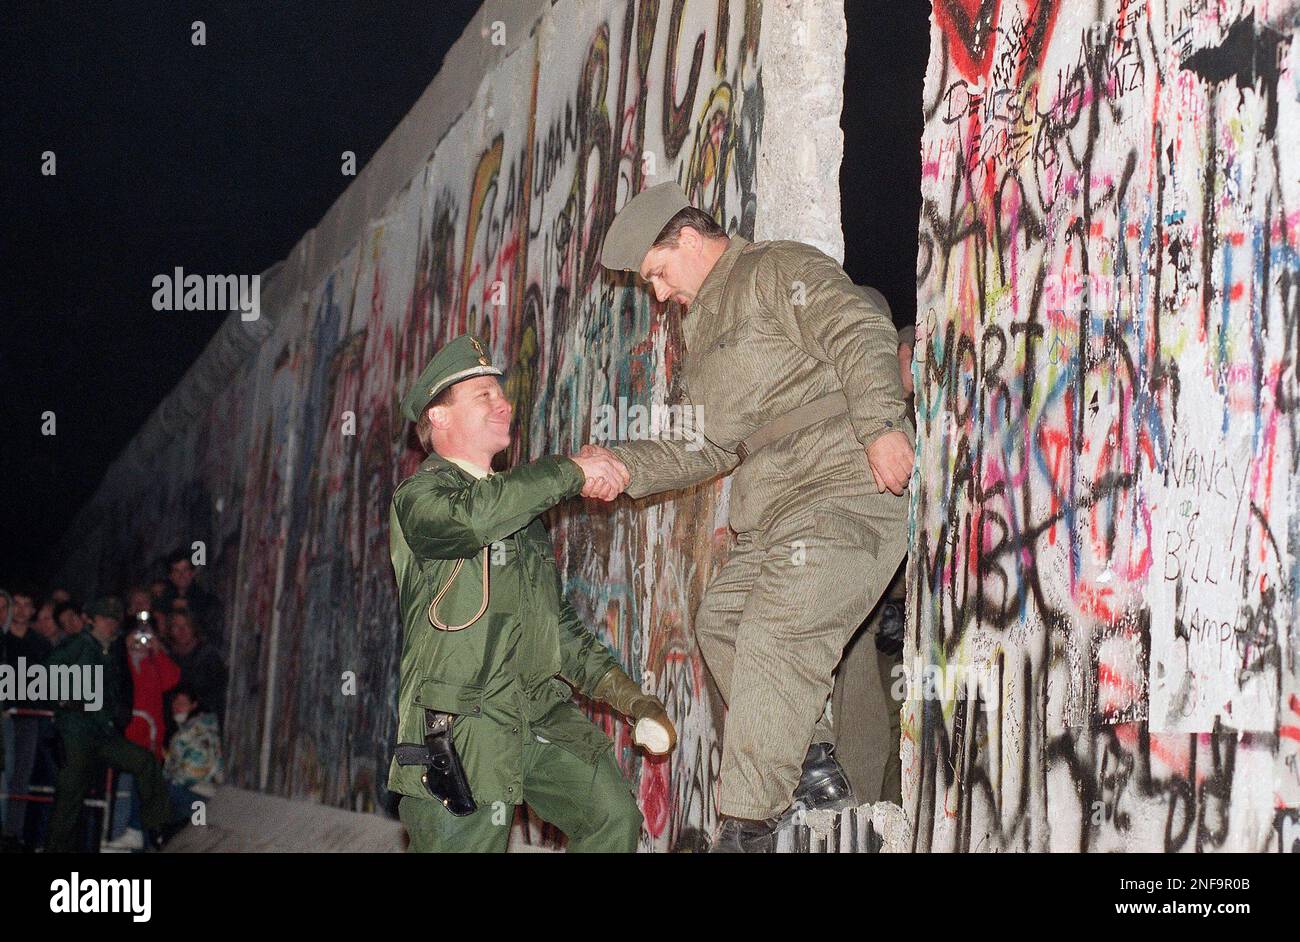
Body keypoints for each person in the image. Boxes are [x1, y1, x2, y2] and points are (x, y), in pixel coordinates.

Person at [592, 182, 913, 851]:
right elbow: (703, 445)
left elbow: (857, 328)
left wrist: (883, 424)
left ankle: (747, 825)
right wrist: (623, 465)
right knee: (724, 620)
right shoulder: (699, 328)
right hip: (772, 511)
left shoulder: (777, 270)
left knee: (776, 627)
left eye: (656, 274)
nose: (657, 294)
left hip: (840, 484)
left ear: (685, 239)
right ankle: (814, 761)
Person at [389, 333, 675, 853]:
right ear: (439, 416)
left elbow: (558, 629)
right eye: (483, 395)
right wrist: (571, 471)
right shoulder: (420, 498)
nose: (505, 404)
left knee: (611, 817)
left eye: (502, 393)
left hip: (537, 714)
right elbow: (472, 518)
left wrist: (632, 700)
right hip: (462, 725)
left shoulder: (523, 516)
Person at [830, 321, 915, 805]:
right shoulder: (873, 416)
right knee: (870, 719)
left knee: (899, 725)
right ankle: (862, 814)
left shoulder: (926, 416)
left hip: (902, 616)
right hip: (874, 611)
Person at [44, 597, 170, 853]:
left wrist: (116, 714)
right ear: (92, 619)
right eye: (105, 618)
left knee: (144, 761)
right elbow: (47, 674)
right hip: (76, 733)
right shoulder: (78, 645)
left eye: (114, 619)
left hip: (103, 732)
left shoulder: (112, 650)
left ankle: (157, 827)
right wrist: (69, 702)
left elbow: (116, 690)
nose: (110, 624)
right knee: (71, 795)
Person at [3, 588, 50, 850]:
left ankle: (13, 832)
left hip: (30, 716)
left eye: (26, 604)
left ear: (33, 610)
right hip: (4, 714)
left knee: (22, 773)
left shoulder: (40, 644)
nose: (21, 610)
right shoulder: (3, 639)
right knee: (5, 772)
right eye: (16, 604)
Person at [164, 610, 226, 732]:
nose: (182, 631)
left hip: (201, 726)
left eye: (186, 626)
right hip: (173, 726)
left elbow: (214, 697)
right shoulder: (168, 658)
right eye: (176, 626)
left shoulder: (208, 657)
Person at [158, 551, 222, 649]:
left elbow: (210, 634)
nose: (181, 575)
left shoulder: (206, 601)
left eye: (185, 570)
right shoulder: (162, 601)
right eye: (176, 571)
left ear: (192, 573)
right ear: (170, 576)